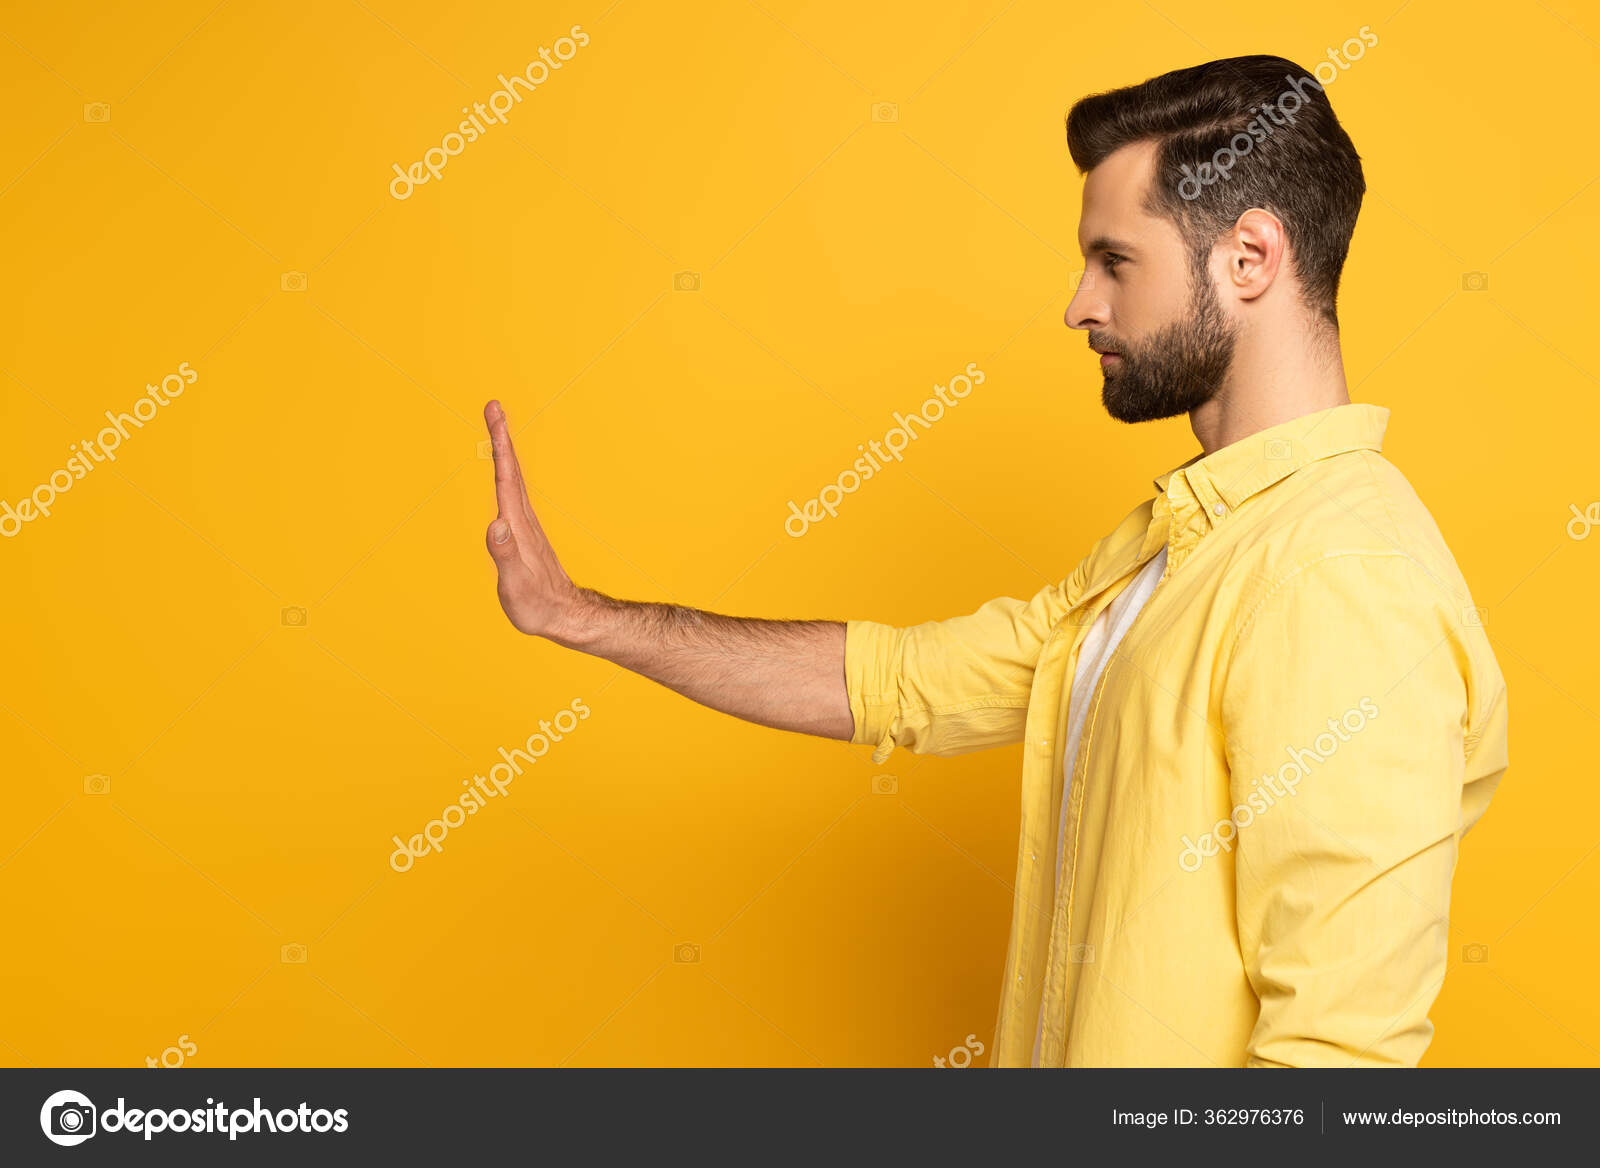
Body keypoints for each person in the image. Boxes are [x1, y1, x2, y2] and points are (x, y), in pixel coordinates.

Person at [479, 55, 1508, 1068]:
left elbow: (1339, 1055)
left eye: (1114, 260)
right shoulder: (1181, 546)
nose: (1077, 304)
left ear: (1248, 258)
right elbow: (904, 683)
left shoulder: (1337, 574)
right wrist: (585, 617)